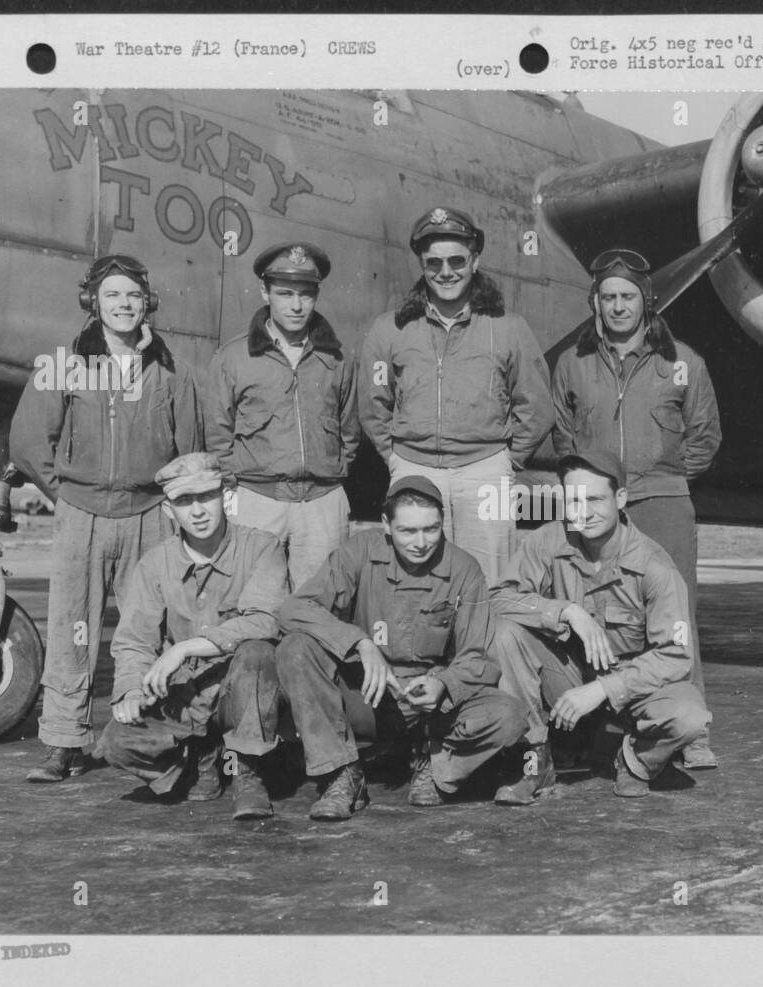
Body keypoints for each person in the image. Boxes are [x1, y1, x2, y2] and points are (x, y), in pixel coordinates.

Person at [10, 254, 201, 783]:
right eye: (112, 295)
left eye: (133, 296)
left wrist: (173, 506)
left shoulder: (171, 371)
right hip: (83, 516)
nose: (123, 304)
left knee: (154, 632)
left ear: (148, 304)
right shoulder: (63, 365)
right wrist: (63, 495)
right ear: (93, 302)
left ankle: (160, 743)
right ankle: (63, 742)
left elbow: (191, 449)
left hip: (149, 517)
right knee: (74, 630)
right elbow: (29, 441)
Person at [551, 248, 722, 768]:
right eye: (608, 298)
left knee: (675, 619)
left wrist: (660, 478)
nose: (618, 307)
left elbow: (705, 437)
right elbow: (562, 435)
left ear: (645, 302)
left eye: (627, 297)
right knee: (597, 608)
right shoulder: (572, 364)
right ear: (595, 304)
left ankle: (690, 733)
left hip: (664, 503)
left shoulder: (683, 362)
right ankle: (594, 723)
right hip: (598, 507)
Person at [275, 476, 527, 816]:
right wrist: (359, 642)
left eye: (431, 529)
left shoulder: (465, 569)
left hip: (430, 709)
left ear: (443, 524)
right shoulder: (359, 551)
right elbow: (294, 609)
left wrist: (442, 683)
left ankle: (433, 762)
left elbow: (476, 656)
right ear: (386, 525)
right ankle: (341, 774)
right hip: (368, 695)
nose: (421, 542)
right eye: (408, 531)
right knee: (295, 648)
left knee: (508, 715)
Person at [490, 449, 712, 801]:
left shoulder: (656, 567)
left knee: (689, 716)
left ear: (620, 499)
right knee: (505, 631)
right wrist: (567, 612)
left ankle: (635, 760)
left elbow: (675, 656)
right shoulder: (549, 540)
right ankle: (535, 756)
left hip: (636, 687)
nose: (583, 511)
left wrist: (603, 689)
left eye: (595, 499)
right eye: (573, 499)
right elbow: (499, 597)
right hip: (570, 675)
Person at [358, 206, 552, 581]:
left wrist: (504, 464)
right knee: (415, 577)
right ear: (421, 264)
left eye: (456, 260)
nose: (446, 272)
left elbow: (537, 406)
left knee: (492, 579)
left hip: (486, 470)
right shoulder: (389, 330)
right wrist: (397, 459)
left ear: (475, 260)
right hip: (414, 467)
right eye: (434, 263)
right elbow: (373, 403)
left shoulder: (508, 329)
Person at [95, 454, 290, 818]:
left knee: (259, 653)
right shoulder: (155, 564)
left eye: (206, 497)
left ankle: (250, 771)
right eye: (184, 501)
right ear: (169, 511)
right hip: (185, 698)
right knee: (114, 743)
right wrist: (132, 689)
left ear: (226, 497)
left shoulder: (262, 546)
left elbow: (265, 621)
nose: (198, 511)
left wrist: (184, 648)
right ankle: (198, 756)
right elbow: (134, 640)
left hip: (243, 692)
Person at [205, 242, 359, 590]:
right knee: (251, 603)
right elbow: (218, 434)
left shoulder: (336, 358)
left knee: (321, 606)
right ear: (265, 292)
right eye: (284, 293)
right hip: (258, 500)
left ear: (316, 295)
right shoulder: (233, 357)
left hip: (321, 502)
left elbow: (349, 431)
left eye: (305, 294)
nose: (295, 304)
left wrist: (329, 474)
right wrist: (242, 488)